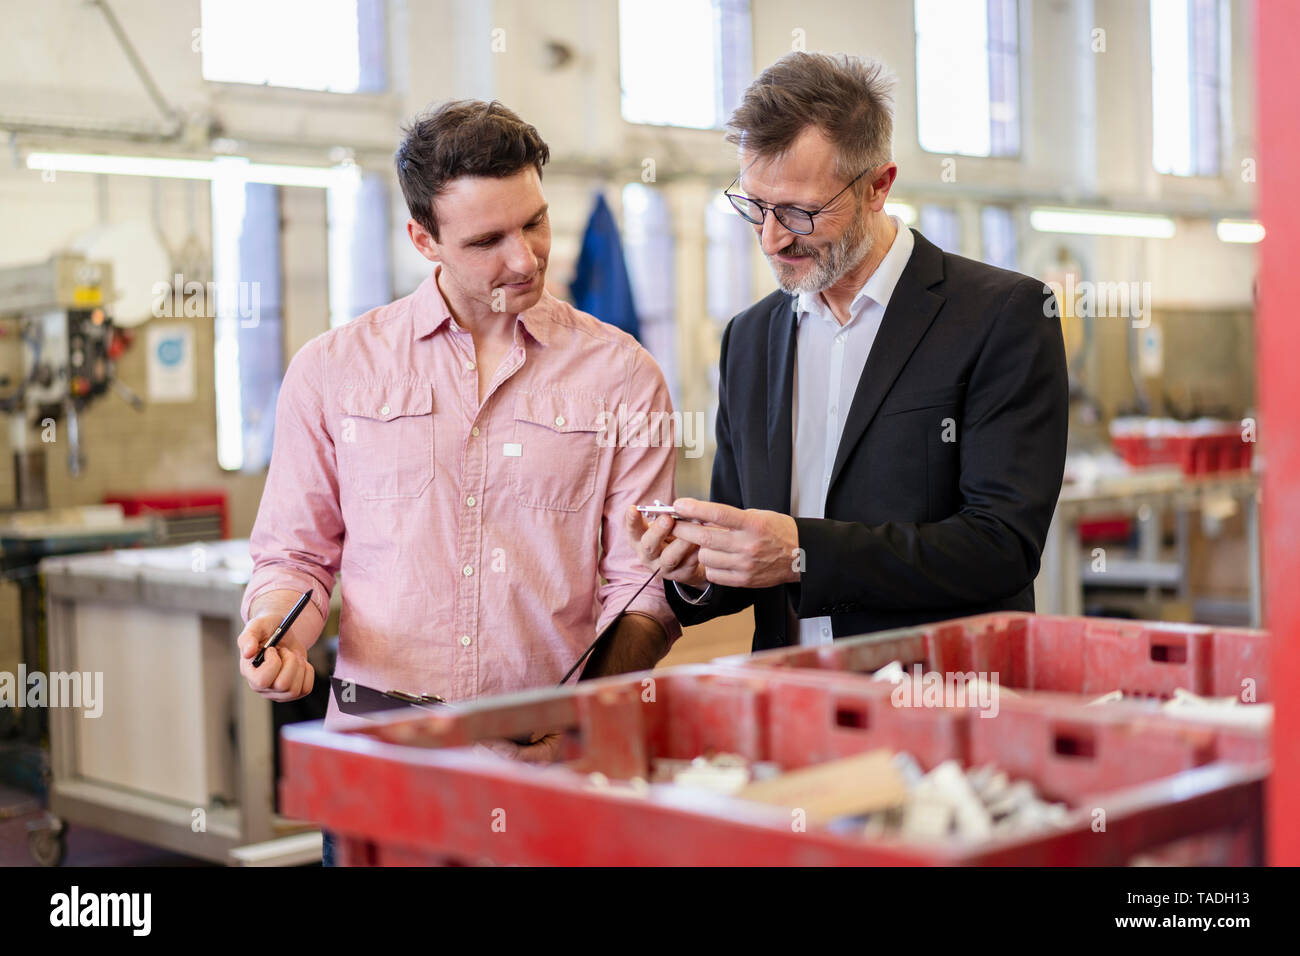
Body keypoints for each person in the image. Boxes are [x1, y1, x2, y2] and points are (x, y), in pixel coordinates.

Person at [237, 99, 681, 763]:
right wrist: (281, 630)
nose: (526, 260)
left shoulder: (622, 375)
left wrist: (580, 714)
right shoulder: (333, 371)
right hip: (381, 750)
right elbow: (296, 555)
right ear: (424, 240)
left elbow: (641, 584)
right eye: (486, 242)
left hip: (548, 753)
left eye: (534, 223)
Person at [628, 52, 1068, 651]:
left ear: (878, 188)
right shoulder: (750, 340)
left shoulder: (1001, 316)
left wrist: (802, 554)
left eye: (800, 213)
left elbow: (1002, 548)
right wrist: (699, 569)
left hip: (944, 698)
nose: (772, 238)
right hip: (793, 705)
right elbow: (750, 549)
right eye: (755, 207)